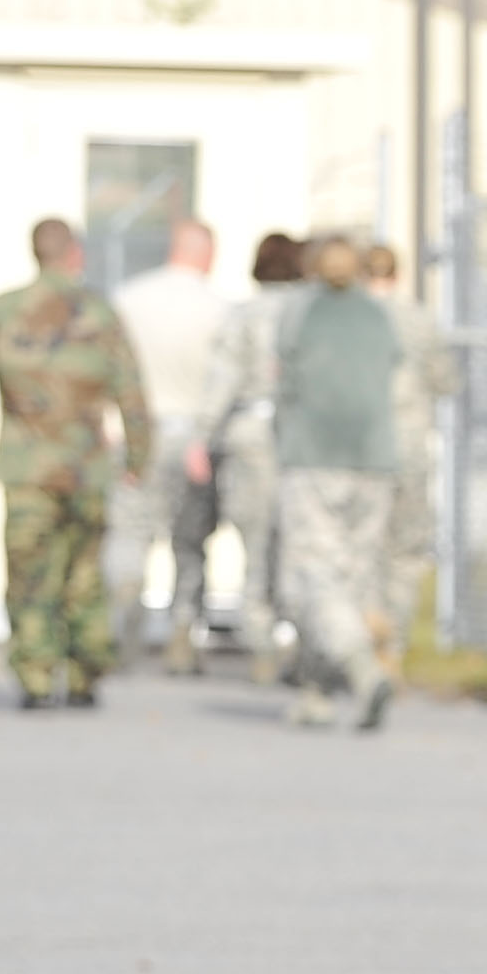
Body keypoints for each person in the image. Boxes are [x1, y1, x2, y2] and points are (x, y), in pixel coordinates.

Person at [0, 216, 151, 710]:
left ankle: (36, 676)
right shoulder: (100, 313)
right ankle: (85, 671)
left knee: (30, 572)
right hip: (87, 469)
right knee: (83, 571)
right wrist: (139, 455)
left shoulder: (4, 311)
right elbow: (132, 390)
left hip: (27, 469)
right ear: (74, 253)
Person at [271, 236, 402, 731]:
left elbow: (284, 376)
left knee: (314, 576)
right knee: (352, 575)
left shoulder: (300, 313)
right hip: (373, 459)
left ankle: (363, 672)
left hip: (314, 458)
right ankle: (316, 690)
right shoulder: (378, 314)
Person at [107, 218, 228, 674]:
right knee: (189, 541)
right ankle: (182, 634)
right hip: (193, 439)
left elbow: (109, 368)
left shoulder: (128, 299)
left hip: (134, 433)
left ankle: (125, 616)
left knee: (130, 531)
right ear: (208, 255)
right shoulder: (218, 308)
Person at [194, 231, 306, 677]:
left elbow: (222, 380)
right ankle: (296, 640)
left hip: (250, 433)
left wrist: (202, 437)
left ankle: (261, 643)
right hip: (302, 439)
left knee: (256, 543)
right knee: (299, 545)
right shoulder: (310, 314)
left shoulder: (242, 316)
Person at [363, 242, 458, 649]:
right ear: (397, 276)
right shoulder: (422, 322)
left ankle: (366, 632)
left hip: (362, 448)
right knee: (405, 552)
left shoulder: (353, 321)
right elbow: (447, 382)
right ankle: (394, 641)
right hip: (411, 447)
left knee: (362, 548)